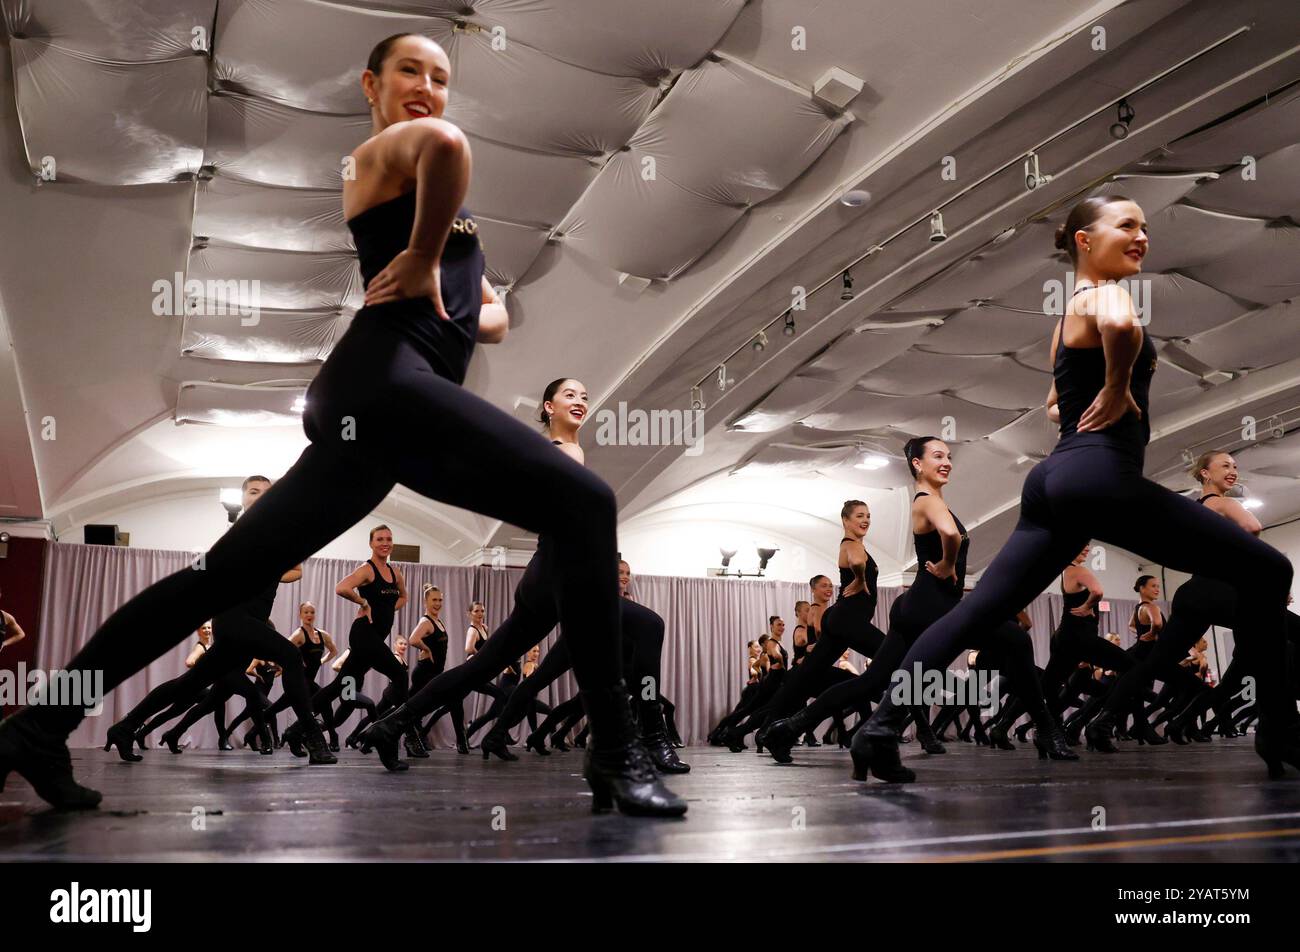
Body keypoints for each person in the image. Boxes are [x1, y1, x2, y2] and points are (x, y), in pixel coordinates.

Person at [0, 33, 679, 817]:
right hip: (383, 386)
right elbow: (449, 148)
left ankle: (39, 728)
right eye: (409, 72)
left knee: (215, 580)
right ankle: (618, 750)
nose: (426, 86)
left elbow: (490, 315)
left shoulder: (437, 202)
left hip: (381, 410)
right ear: (371, 84)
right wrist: (425, 256)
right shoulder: (378, 157)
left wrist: (448, 274)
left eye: (440, 77)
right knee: (586, 504)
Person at [850, 195, 1297, 784]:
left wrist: (1096, 391)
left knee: (978, 611)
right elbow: (1121, 326)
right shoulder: (1106, 295)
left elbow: (1057, 400)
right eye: (1127, 225)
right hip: (1101, 476)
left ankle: (880, 727)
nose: (1142, 237)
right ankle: (1279, 730)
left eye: (1145, 228)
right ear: (1085, 241)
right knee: (1269, 572)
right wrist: (1117, 385)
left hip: (1053, 480)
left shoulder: (1063, 320)